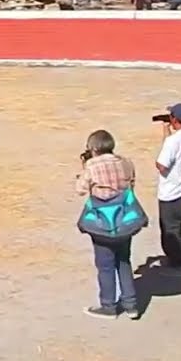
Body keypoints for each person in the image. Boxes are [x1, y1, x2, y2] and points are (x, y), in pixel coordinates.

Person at [75, 129, 140, 319]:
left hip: (102, 222)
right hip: (125, 219)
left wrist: (83, 170)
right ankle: (131, 305)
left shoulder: (92, 166)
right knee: (124, 261)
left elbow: (80, 190)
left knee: (105, 265)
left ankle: (108, 305)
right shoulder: (126, 162)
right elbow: (131, 186)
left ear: (93, 148)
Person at [155, 103, 181, 272]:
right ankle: (178, 258)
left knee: (170, 232)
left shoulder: (173, 142)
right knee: (178, 228)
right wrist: (167, 130)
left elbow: (162, 165)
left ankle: (177, 264)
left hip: (171, 194)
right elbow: (174, 148)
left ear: (174, 119)